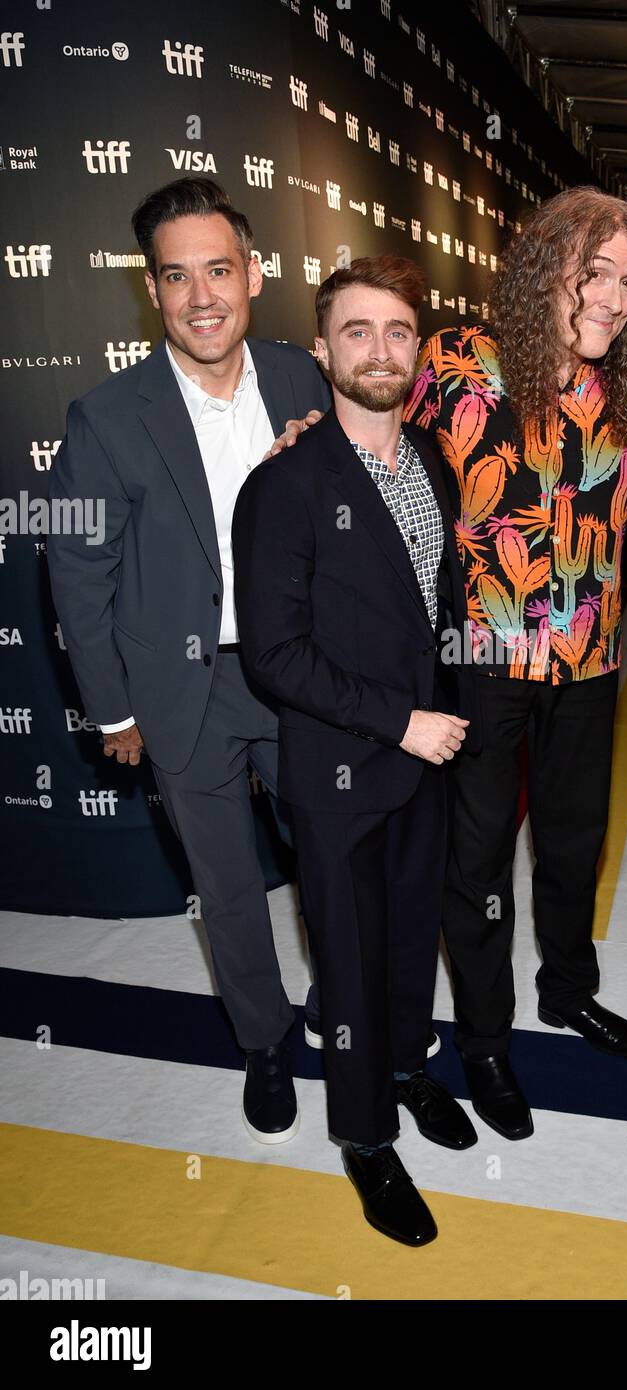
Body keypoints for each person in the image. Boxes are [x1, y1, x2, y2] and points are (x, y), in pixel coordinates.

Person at [269, 187, 627, 1141]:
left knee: (576, 842)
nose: (614, 297)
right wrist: (297, 439)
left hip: (590, 659)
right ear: (547, 268)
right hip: (484, 659)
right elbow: (363, 419)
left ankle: (570, 989)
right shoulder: (460, 361)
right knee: (479, 858)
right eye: (595, 273)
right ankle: (486, 1042)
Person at [47, 178, 331, 1145]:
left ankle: (344, 999)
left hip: (300, 676)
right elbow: (79, 580)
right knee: (228, 881)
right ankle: (263, 1042)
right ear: (152, 291)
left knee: (329, 849)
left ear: (251, 273)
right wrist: (112, 712)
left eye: (219, 269)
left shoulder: (303, 379)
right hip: (186, 687)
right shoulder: (107, 415)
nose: (202, 295)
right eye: (178, 276)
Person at [231, 256, 480, 1246]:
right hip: (341, 767)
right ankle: (367, 1141)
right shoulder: (285, 484)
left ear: (416, 350)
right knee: (348, 952)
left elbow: (438, 607)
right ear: (324, 348)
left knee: (415, 931)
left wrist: (450, 714)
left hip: (432, 755)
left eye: (399, 332)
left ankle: (411, 1069)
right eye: (358, 331)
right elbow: (276, 656)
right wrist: (400, 721)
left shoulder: (431, 458)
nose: (381, 349)